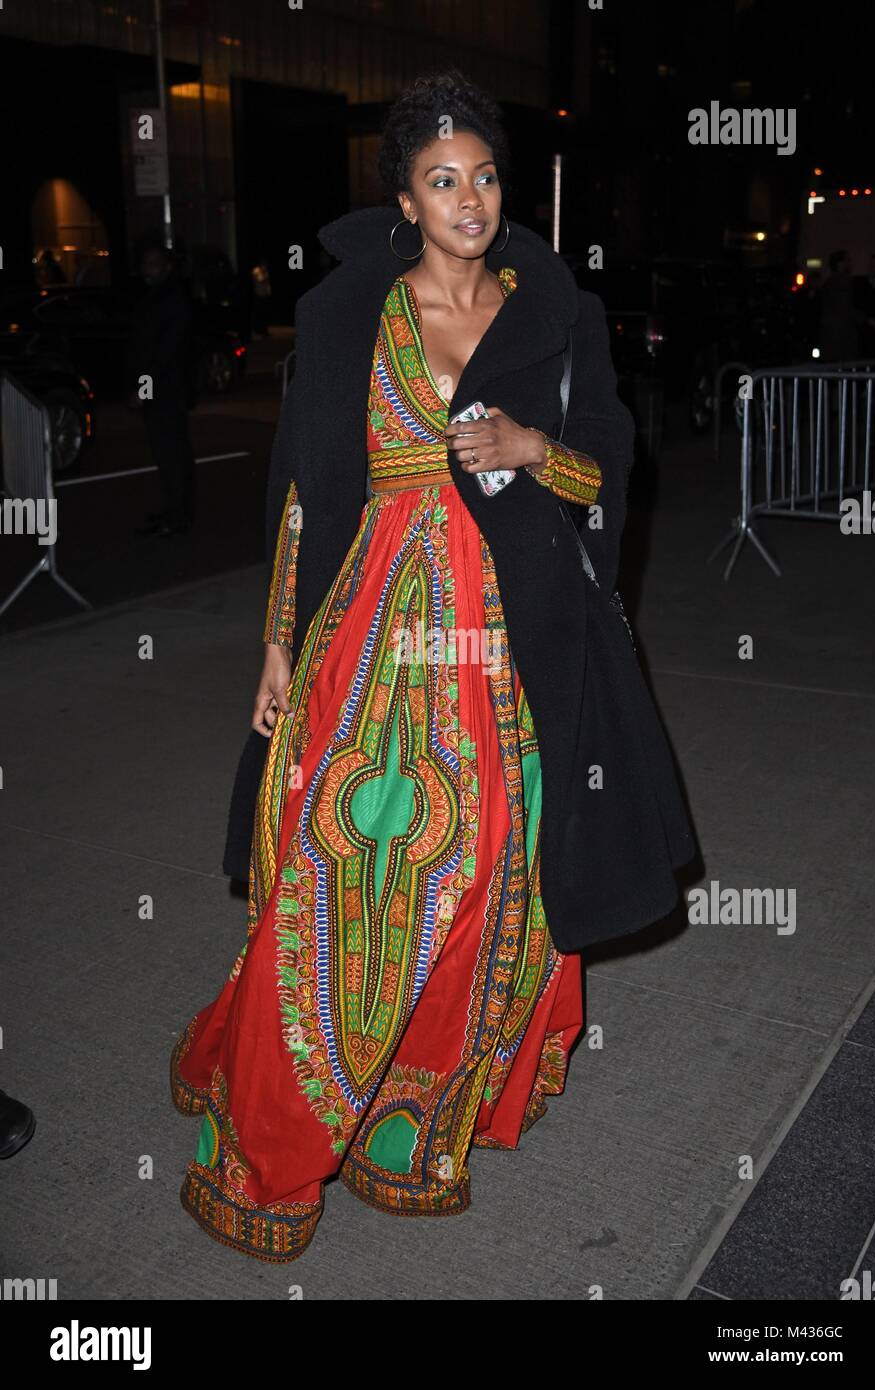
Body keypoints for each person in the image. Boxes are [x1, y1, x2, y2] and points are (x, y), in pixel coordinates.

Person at [170, 70, 695, 1262]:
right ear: (404, 199)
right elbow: (305, 491)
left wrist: (533, 447)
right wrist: (272, 647)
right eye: (440, 180)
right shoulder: (357, 314)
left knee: (489, 863)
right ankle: (267, 1130)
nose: (469, 198)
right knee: (341, 865)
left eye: (484, 176)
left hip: (510, 630)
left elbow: (612, 467)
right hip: (370, 627)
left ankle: (411, 1113)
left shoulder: (552, 312)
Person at [129, 239, 197, 536]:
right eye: (146, 264)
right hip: (164, 389)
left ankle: (178, 515)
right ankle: (174, 510)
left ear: (166, 266)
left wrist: (143, 390)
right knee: (169, 453)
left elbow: (163, 354)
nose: (147, 270)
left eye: (153, 264)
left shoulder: (172, 299)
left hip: (168, 392)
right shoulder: (159, 296)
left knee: (171, 453)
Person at [818, 249, 861, 363]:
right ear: (840, 263)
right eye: (848, 260)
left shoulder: (829, 283)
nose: (850, 263)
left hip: (831, 334)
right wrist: (865, 320)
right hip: (841, 335)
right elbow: (845, 307)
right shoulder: (843, 282)